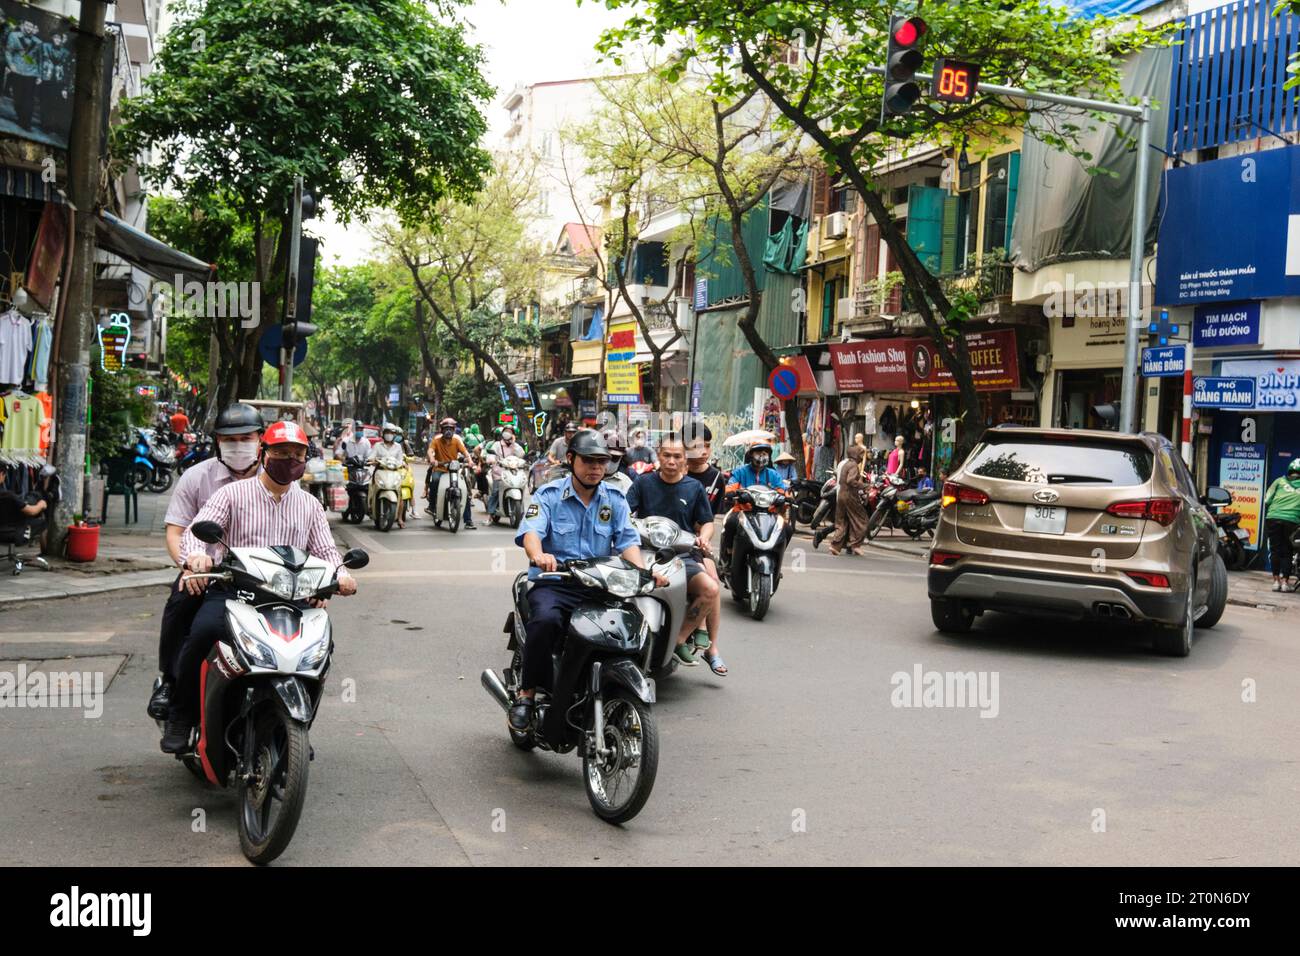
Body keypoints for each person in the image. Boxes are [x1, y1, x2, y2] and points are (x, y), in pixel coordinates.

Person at [162, 420, 358, 753]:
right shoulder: (232, 494)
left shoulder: (309, 505)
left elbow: (327, 552)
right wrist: (197, 558)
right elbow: (196, 533)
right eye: (281, 452)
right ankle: (181, 714)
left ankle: (296, 727)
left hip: (291, 598)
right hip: (235, 593)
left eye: (297, 454)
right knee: (202, 633)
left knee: (319, 652)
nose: (289, 460)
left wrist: (341, 576)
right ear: (264, 453)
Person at [509, 429, 664, 731]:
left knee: (635, 626)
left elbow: (628, 542)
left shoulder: (615, 500)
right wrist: (539, 555)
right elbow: (531, 534)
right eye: (589, 461)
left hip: (599, 588)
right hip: (555, 583)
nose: (596, 468)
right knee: (545, 622)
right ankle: (527, 694)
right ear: (571, 459)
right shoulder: (549, 495)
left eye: (601, 462)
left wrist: (644, 573)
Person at [147, 403, 264, 721]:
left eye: (246, 438)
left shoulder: (276, 480)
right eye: (230, 439)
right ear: (217, 441)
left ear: (261, 439)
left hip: (263, 578)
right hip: (208, 573)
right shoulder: (196, 477)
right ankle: (170, 683)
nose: (238, 445)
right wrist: (188, 564)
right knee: (181, 605)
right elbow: (175, 531)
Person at [627, 433, 727, 675]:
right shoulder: (643, 483)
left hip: (682, 555)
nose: (672, 461)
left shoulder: (694, 488)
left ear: (684, 460)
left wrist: (704, 536)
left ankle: (679, 640)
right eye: (667, 455)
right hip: (644, 552)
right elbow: (624, 514)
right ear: (658, 456)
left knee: (711, 590)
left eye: (677, 457)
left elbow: (707, 522)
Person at [818, 445, 869, 556]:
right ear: (855, 455)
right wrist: (864, 486)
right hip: (850, 496)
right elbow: (850, 480)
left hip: (840, 495)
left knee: (842, 521)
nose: (862, 457)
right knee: (861, 520)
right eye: (860, 454)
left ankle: (835, 546)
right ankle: (855, 544)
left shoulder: (845, 464)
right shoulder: (854, 465)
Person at [426, 416, 474, 528]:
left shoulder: (456, 441)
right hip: (440, 469)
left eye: (451, 429)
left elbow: (465, 453)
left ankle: (468, 520)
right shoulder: (436, 441)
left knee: (464, 489)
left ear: (454, 430)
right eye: (446, 429)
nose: (448, 431)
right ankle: (432, 506)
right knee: (435, 480)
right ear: (442, 430)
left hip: (453, 471)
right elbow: (430, 450)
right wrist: (432, 459)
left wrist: (470, 461)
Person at [1264, 457, 1300, 592]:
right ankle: (1285, 583)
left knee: (1275, 550)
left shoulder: (1279, 481)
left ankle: (1275, 582)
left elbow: (1267, 500)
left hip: (1273, 517)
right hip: (1292, 520)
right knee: (1287, 551)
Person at [369, 423, 408, 528]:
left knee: (400, 494)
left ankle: (399, 518)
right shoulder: (378, 446)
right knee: (372, 489)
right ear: (383, 433)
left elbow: (400, 460)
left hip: (394, 473)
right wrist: (372, 460)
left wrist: (403, 464)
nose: (389, 435)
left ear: (394, 435)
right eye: (387, 432)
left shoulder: (398, 447)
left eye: (391, 433)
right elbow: (371, 457)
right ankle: (370, 505)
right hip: (380, 471)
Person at [684, 427, 728, 517]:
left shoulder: (716, 477)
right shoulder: (673, 474)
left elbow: (718, 514)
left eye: (707, 446)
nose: (704, 452)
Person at [487, 426, 525, 518]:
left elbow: (521, 454)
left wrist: (514, 443)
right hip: (499, 472)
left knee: (521, 485)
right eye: (506, 431)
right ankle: (491, 513)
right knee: (496, 491)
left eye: (510, 431)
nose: (507, 433)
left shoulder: (515, 445)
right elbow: (490, 456)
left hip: (513, 472)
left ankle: (521, 508)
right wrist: (491, 460)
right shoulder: (497, 445)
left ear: (513, 434)